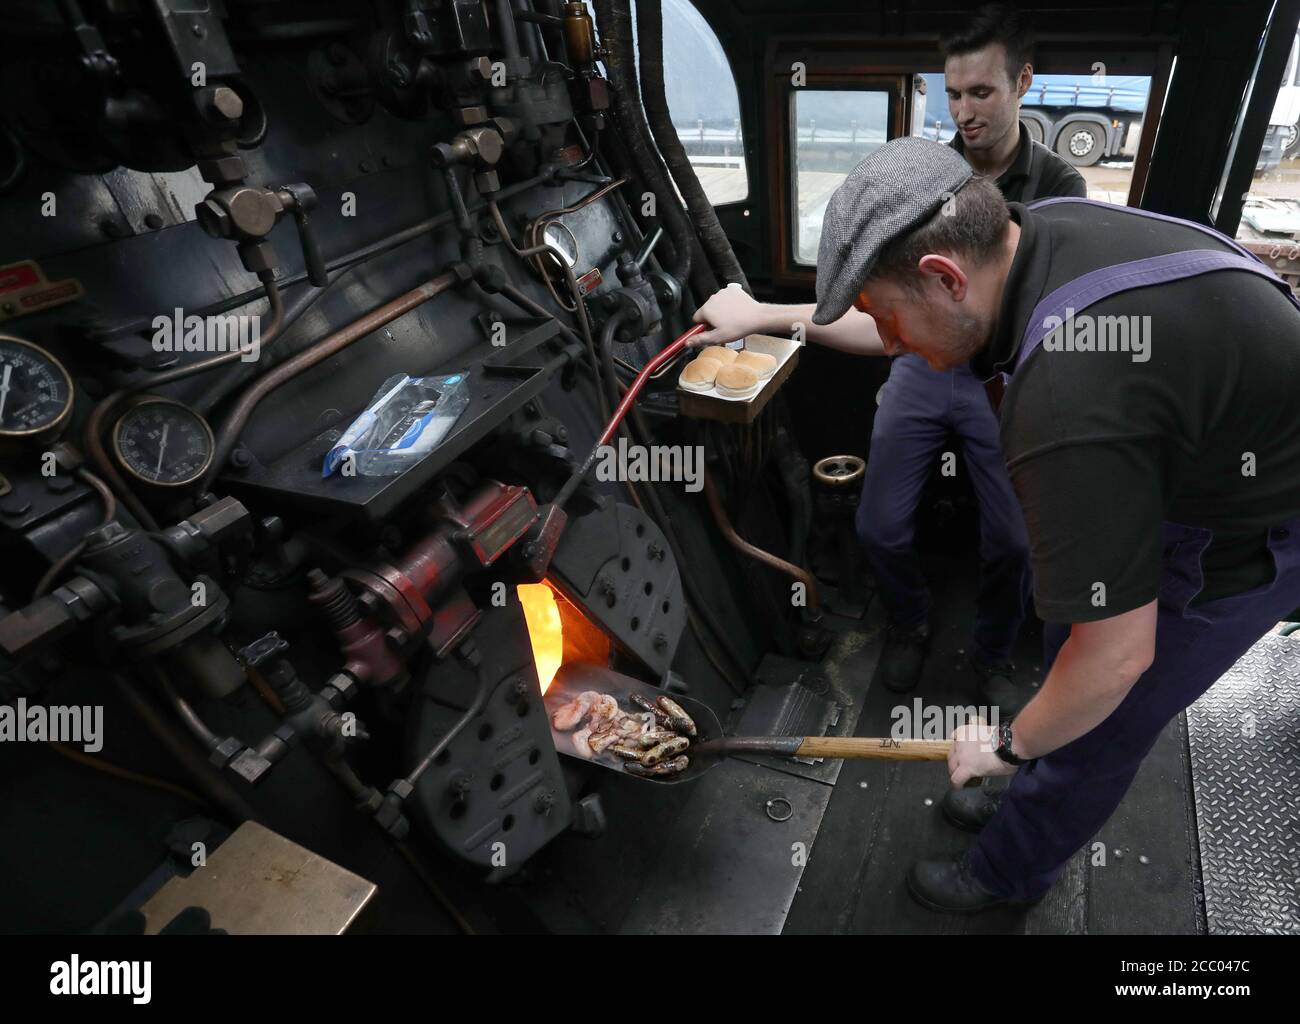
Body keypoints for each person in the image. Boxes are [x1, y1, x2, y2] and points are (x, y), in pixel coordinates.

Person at [804, 132, 1300, 912]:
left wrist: (1007, 744)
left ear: (944, 275)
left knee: (1103, 715)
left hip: (1247, 533)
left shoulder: (1069, 396)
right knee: (1075, 657)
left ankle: (1005, 875)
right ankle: (1027, 774)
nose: (891, 345)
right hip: (1198, 457)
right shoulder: (1044, 227)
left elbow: (1113, 661)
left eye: (886, 319)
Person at [693, 5, 1085, 718]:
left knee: (1013, 542)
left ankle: (993, 652)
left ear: (1024, 81)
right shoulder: (925, 175)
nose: (963, 112)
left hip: (1005, 379)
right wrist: (759, 317)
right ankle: (907, 621)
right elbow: (885, 319)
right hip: (921, 369)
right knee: (879, 525)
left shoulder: (1061, 190)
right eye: (953, 93)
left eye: (982, 93)